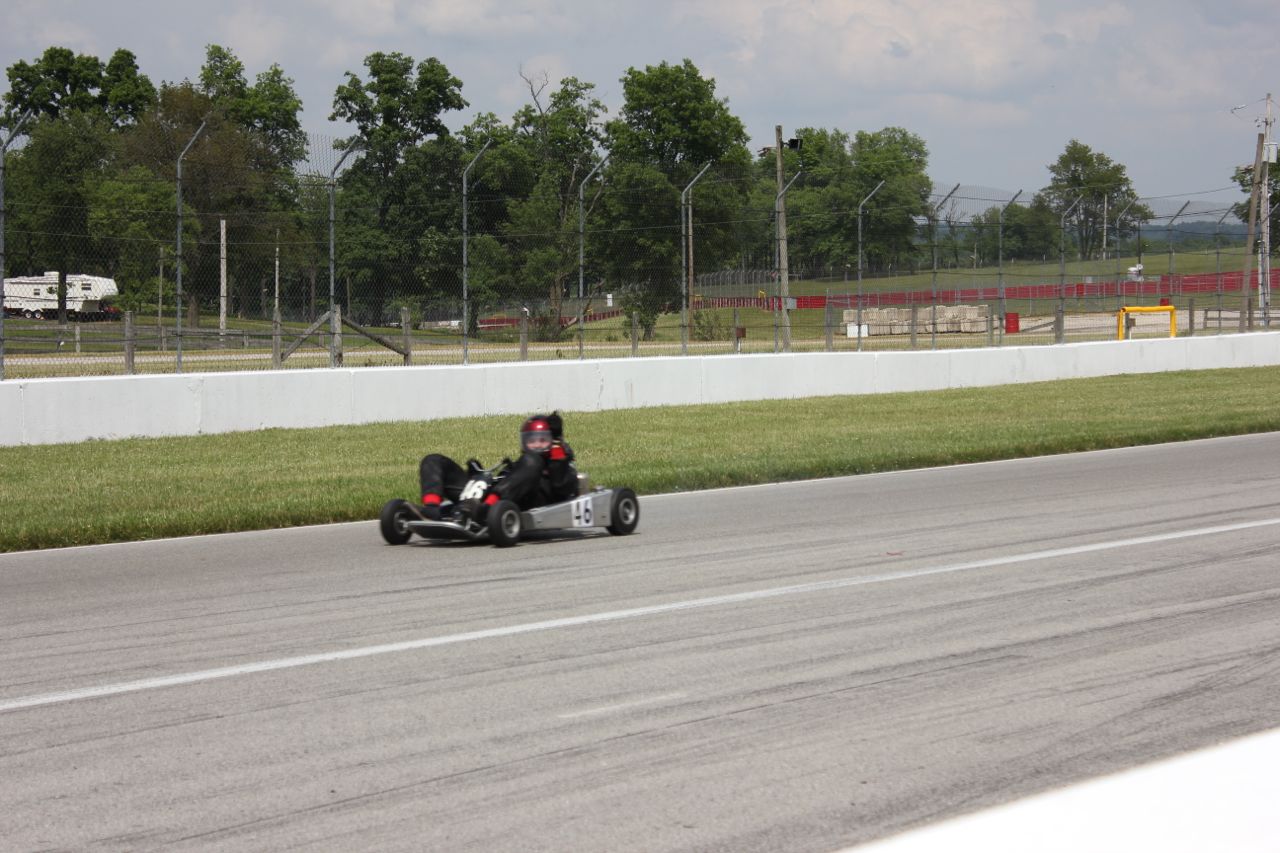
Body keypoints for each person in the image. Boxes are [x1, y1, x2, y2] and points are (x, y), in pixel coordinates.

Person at [418, 412, 577, 520]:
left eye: (542, 440)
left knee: (531, 461)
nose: (536, 445)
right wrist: (478, 476)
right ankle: (432, 507)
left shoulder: (559, 466)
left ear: (552, 440)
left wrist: (557, 447)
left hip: (520, 504)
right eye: (531, 440)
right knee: (433, 460)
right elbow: (507, 481)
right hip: (486, 500)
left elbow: (561, 486)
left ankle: (486, 508)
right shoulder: (521, 465)